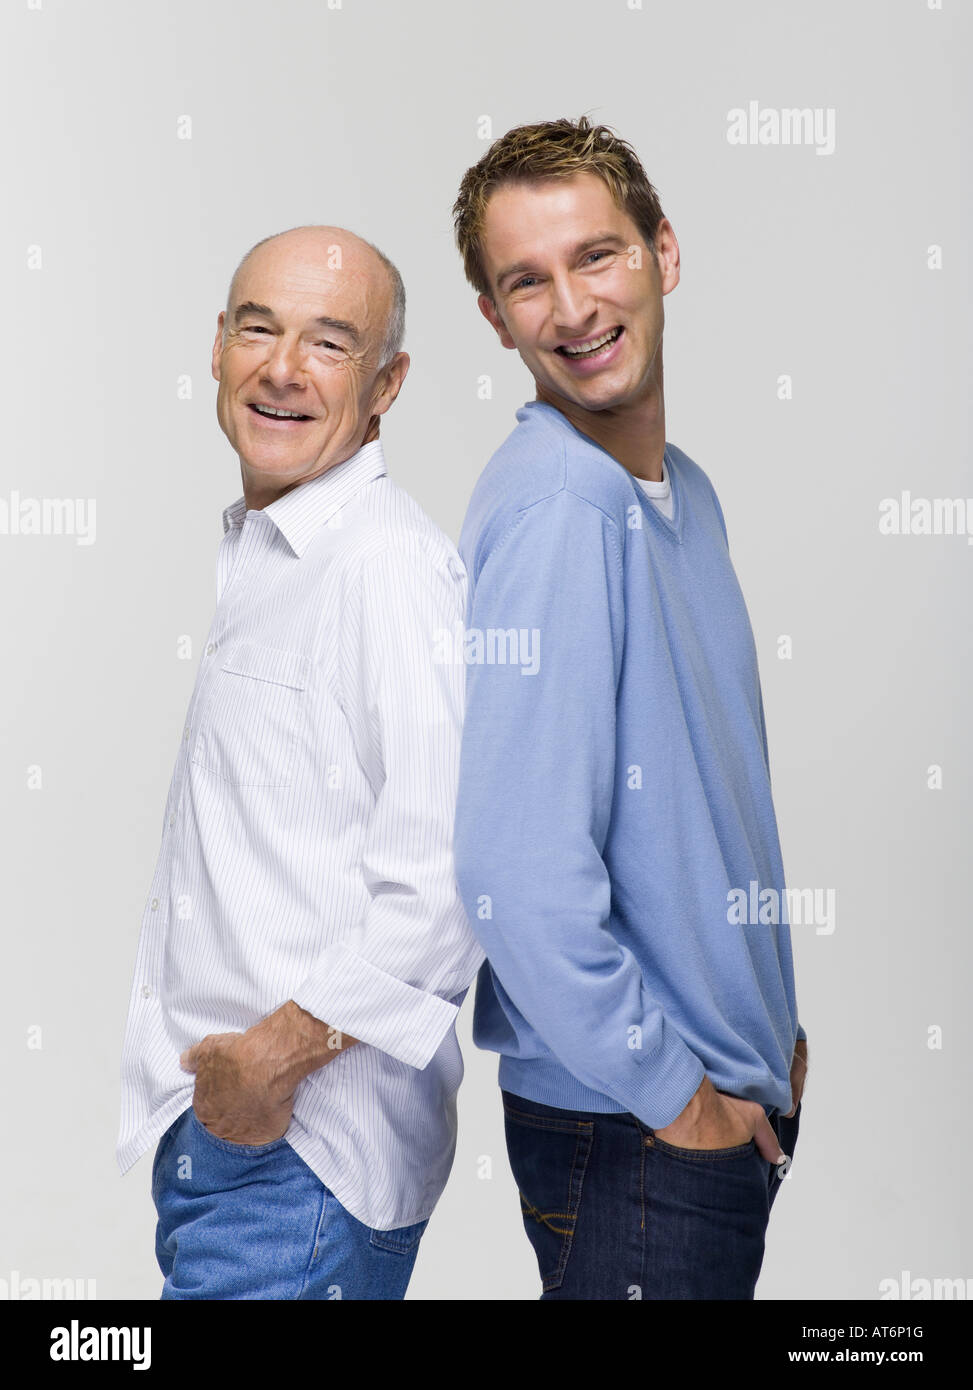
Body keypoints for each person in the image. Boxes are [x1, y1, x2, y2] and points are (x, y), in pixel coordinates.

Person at [451, 117, 809, 1300]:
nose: (571, 306)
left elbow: (706, 800)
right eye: (526, 282)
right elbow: (515, 868)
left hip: (702, 1116)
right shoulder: (562, 508)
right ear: (496, 319)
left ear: (662, 252)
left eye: (595, 257)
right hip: (632, 1136)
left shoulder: (679, 494)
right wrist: (679, 1096)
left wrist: (766, 1028)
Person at [117, 225, 483, 1300]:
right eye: (257, 328)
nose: (281, 369)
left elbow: (450, 875)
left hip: (302, 1160)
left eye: (329, 343)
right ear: (218, 348)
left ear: (387, 384)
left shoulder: (387, 572)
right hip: (236, 1146)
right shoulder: (272, 555)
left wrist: (269, 1064)